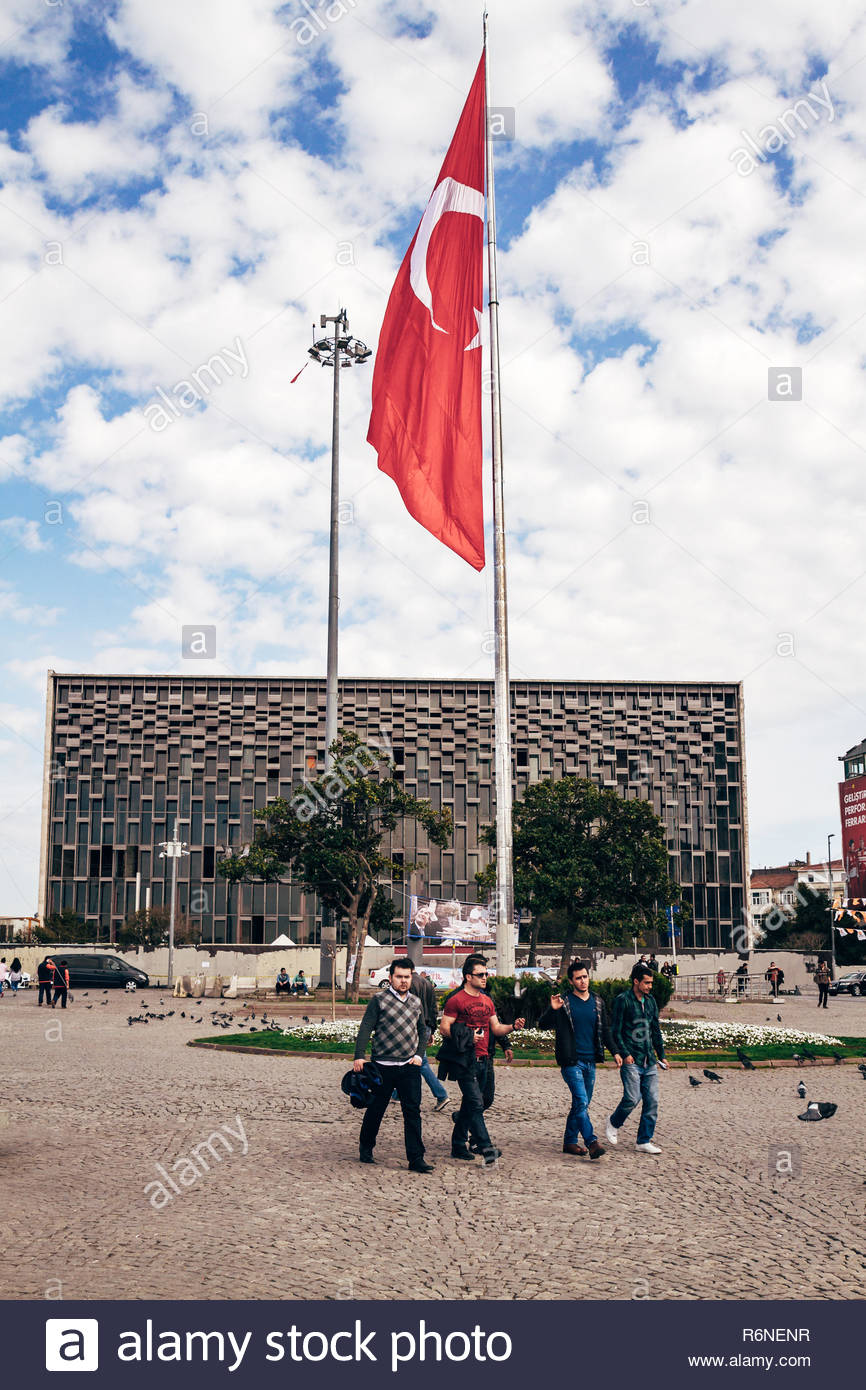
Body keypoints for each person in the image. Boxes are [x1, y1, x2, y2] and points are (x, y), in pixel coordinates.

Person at [440, 954, 524, 1165]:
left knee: (476, 1102)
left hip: (484, 1060)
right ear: (469, 977)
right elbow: (444, 1028)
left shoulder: (487, 1000)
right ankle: (486, 1148)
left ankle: (459, 1144)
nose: (485, 977)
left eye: (486, 974)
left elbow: (496, 1027)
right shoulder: (456, 999)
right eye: (480, 974)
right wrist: (468, 1036)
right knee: (476, 1103)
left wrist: (512, 1027)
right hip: (465, 1060)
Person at [352, 957, 432, 1173]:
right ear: (390, 978)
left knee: (412, 1112)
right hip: (382, 1066)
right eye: (399, 977)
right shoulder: (379, 1000)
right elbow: (366, 1028)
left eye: (407, 977)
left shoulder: (416, 1002)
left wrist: (419, 1055)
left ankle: (416, 1158)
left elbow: (423, 1031)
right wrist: (359, 1056)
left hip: (409, 1066)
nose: (403, 981)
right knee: (376, 1109)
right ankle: (366, 1147)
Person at [539, 960, 620, 1158]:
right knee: (581, 1100)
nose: (583, 981)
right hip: (571, 1061)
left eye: (585, 977)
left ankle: (569, 1142)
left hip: (590, 1061)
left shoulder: (597, 1001)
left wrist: (616, 1052)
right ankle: (592, 1142)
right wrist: (553, 1009)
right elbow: (542, 1025)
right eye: (578, 978)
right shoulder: (563, 1001)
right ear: (571, 981)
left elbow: (605, 1031)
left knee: (580, 1104)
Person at [606, 963, 669, 1155]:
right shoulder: (622, 1000)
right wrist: (625, 1054)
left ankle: (643, 1141)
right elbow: (615, 1031)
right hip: (631, 1058)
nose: (650, 986)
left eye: (651, 983)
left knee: (652, 1101)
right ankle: (613, 1122)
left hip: (649, 1060)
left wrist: (662, 1056)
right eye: (647, 983)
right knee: (632, 1098)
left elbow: (655, 1031)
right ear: (636, 981)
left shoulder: (651, 1001)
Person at [410, 966, 449, 1112]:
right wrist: (431, 1030)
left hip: (415, 1026)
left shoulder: (408, 983)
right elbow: (433, 1008)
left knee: (422, 1062)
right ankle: (396, 1094)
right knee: (410, 1060)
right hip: (426, 1025)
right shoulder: (427, 983)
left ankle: (441, 1095)